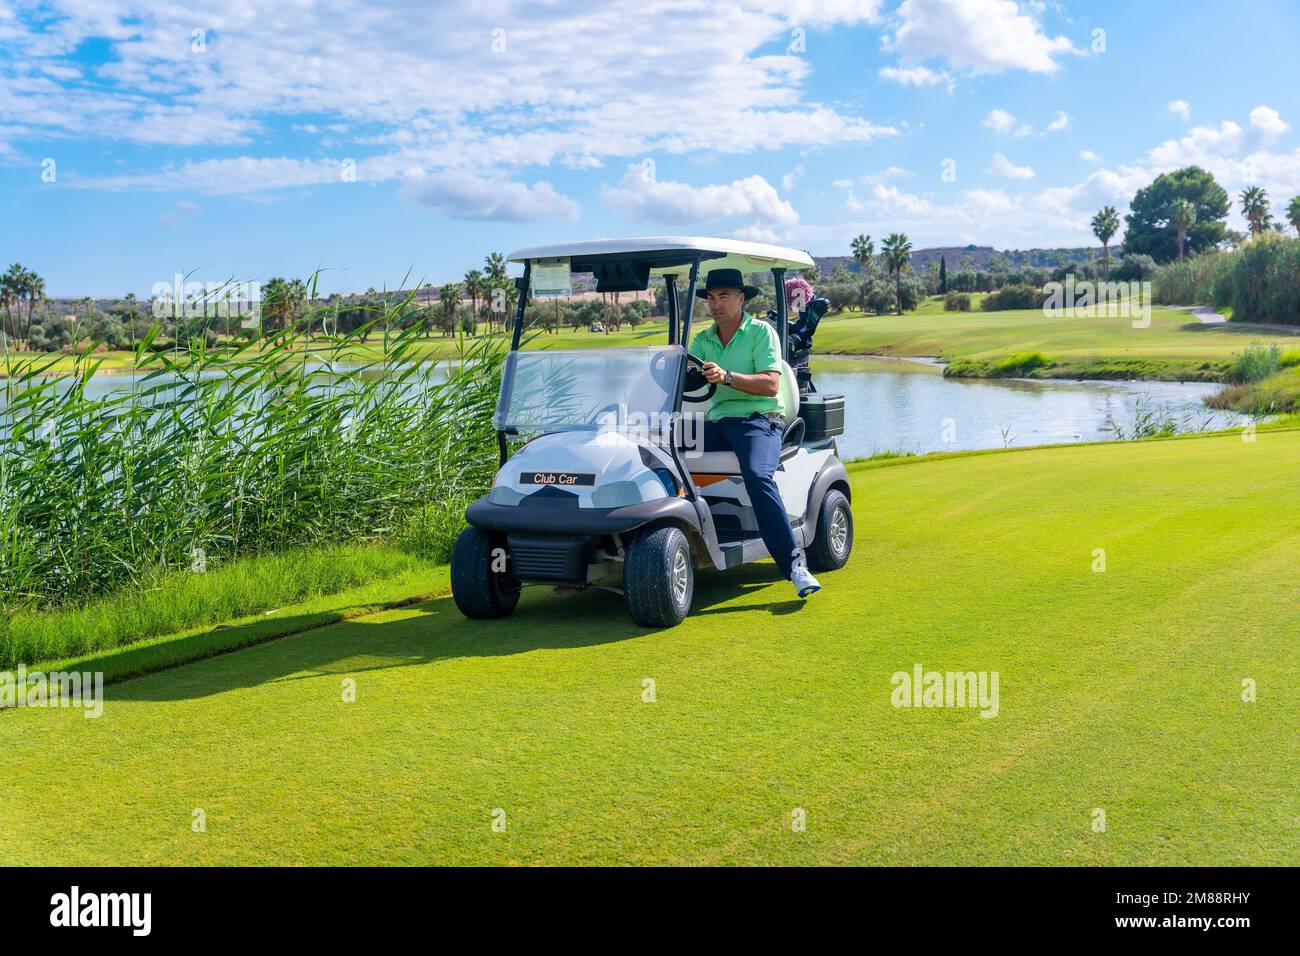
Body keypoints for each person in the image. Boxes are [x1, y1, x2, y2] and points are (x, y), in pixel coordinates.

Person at [686, 268, 821, 598]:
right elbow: (690, 381)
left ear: (741, 298)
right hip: (718, 423)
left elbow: (770, 384)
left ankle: (795, 566)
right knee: (658, 453)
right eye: (712, 298)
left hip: (759, 419)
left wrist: (728, 377)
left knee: (758, 476)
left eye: (725, 297)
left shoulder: (760, 333)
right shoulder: (703, 340)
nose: (716, 304)